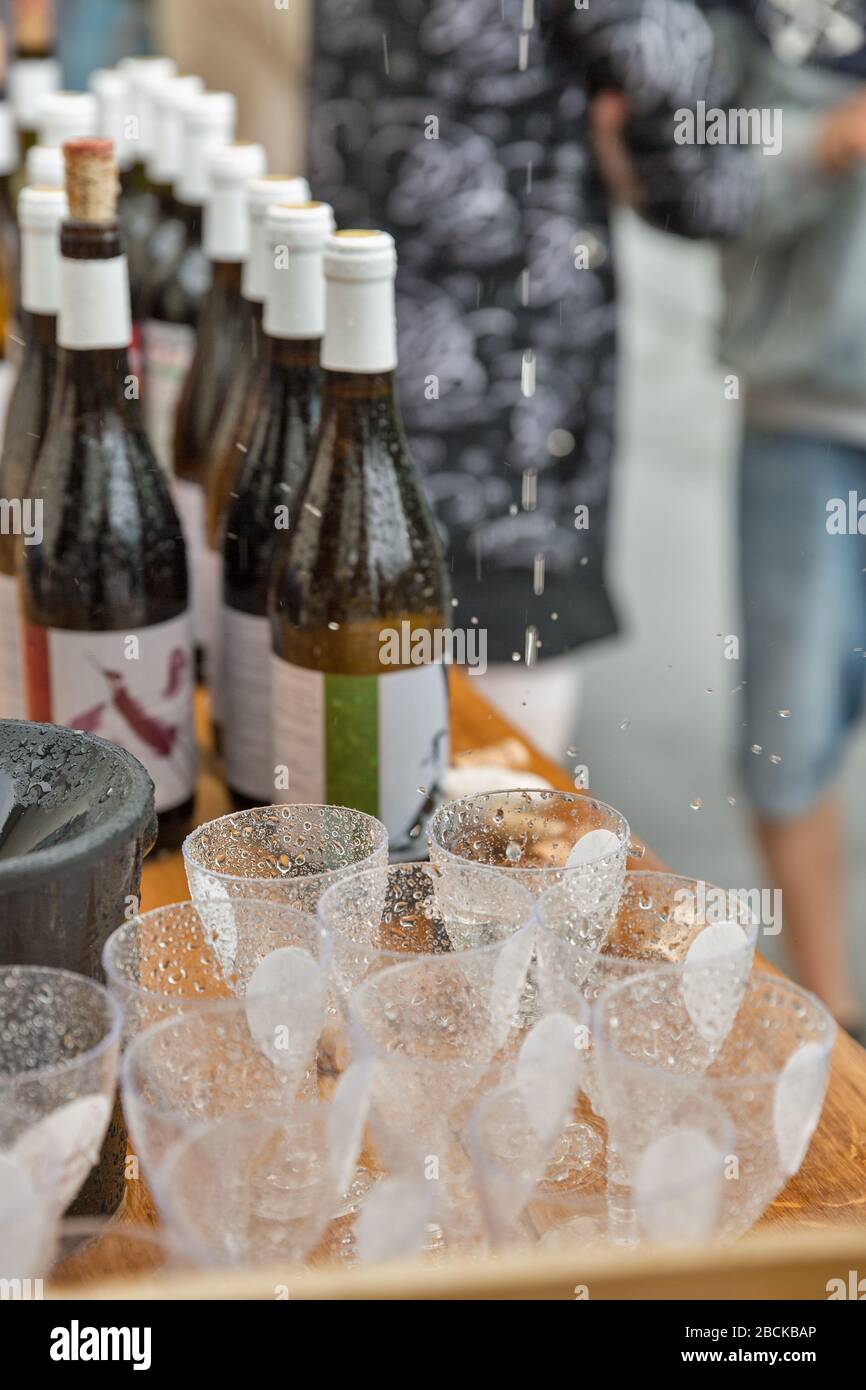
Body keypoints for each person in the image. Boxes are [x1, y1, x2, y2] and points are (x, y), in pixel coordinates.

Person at [160, 0, 750, 761]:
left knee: (354, 695)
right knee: (494, 769)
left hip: (351, 353)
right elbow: (710, 186)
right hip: (510, 412)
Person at [598, 0, 866, 1034]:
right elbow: (680, 181)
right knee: (787, 723)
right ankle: (828, 1011)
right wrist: (827, 144)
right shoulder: (737, 24)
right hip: (802, 410)